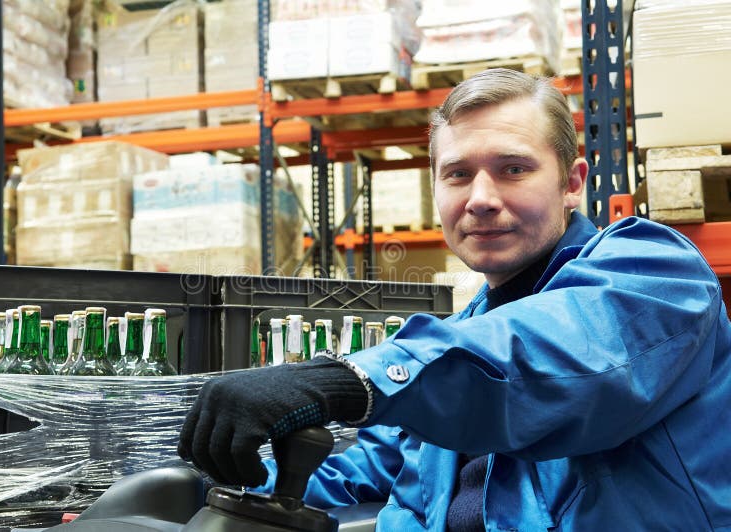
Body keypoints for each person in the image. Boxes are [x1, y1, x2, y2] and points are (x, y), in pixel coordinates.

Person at [178, 68, 731, 531]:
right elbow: (364, 471)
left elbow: (540, 360)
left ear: (572, 182)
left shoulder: (655, 273)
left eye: (513, 169)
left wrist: (342, 381)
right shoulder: (464, 331)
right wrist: (204, 484)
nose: (482, 199)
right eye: (458, 175)